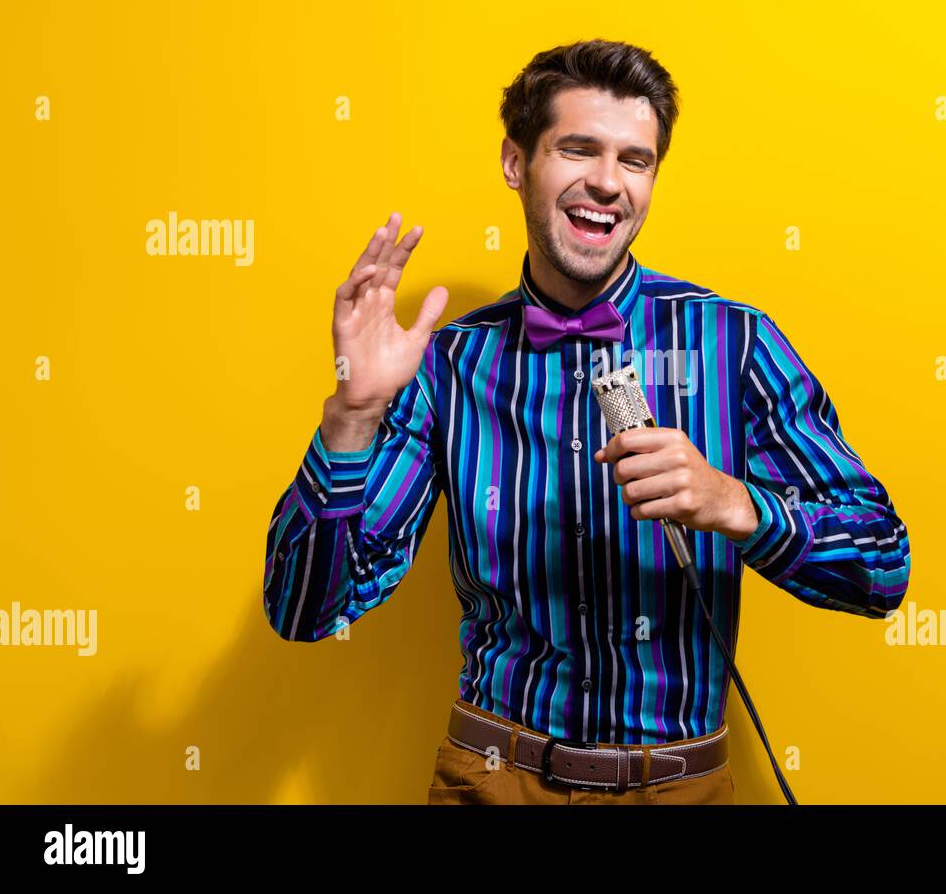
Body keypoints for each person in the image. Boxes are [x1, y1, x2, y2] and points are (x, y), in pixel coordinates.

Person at [262, 39, 912, 805]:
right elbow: (305, 609)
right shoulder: (446, 366)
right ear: (515, 162)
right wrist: (353, 413)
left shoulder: (734, 343)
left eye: (635, 160)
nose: (607, 182)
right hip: (492, 781)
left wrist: (739, 505)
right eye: (579, 149)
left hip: (678, 786)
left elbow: (882, 569)